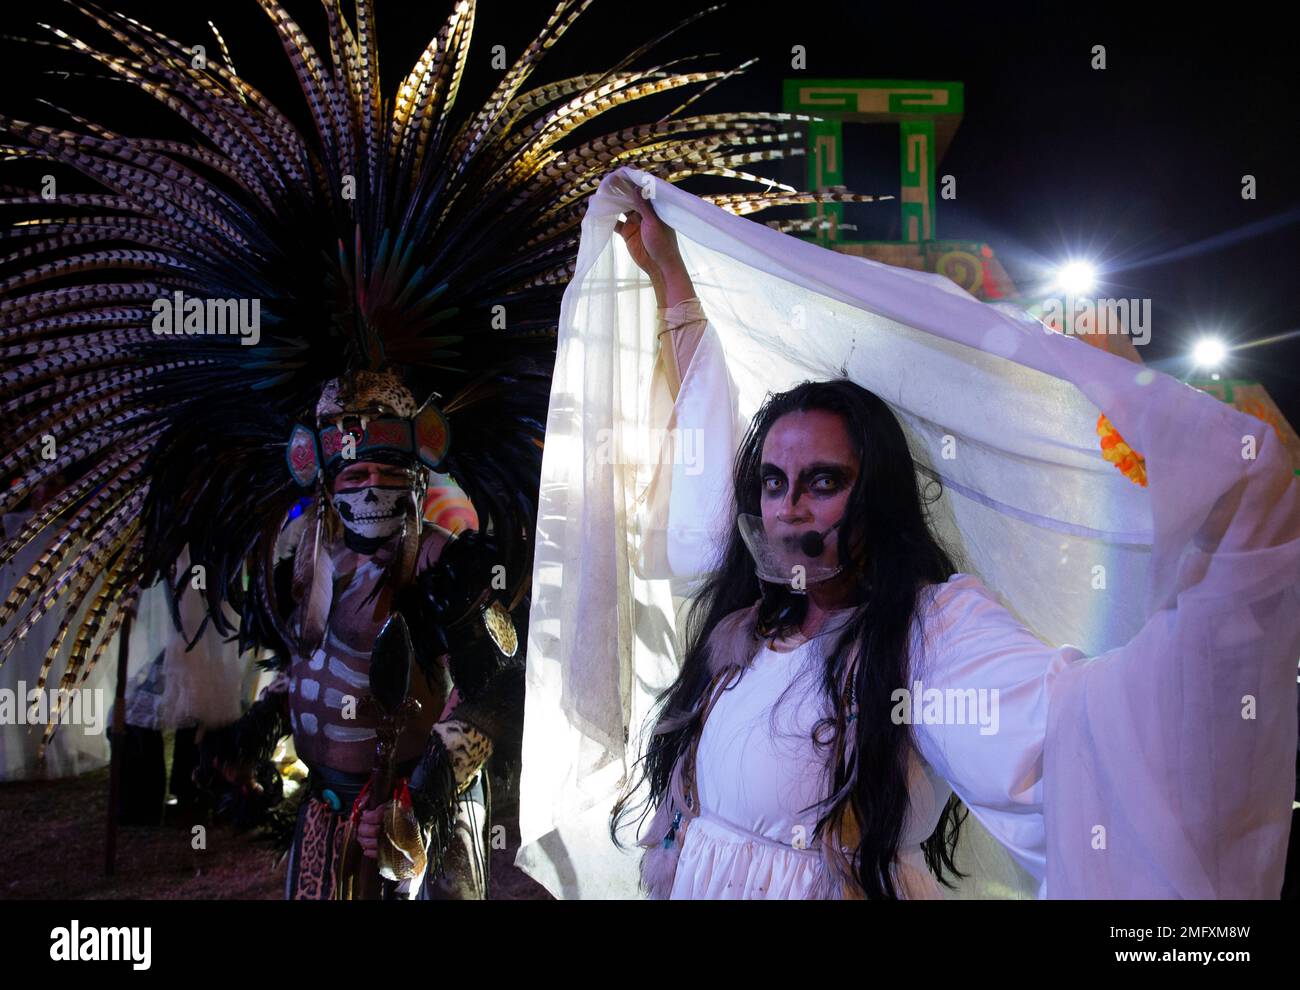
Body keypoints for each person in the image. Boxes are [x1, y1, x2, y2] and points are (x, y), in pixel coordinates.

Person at [608, 199, 1300, 899]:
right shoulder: (747, 627)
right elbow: (702, 450)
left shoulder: (928, 630)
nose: (790, 505)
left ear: (874, 497)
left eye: (823, 480)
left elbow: (1076, 732)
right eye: (774, 481)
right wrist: (669, 275)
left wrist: (1222, 542)